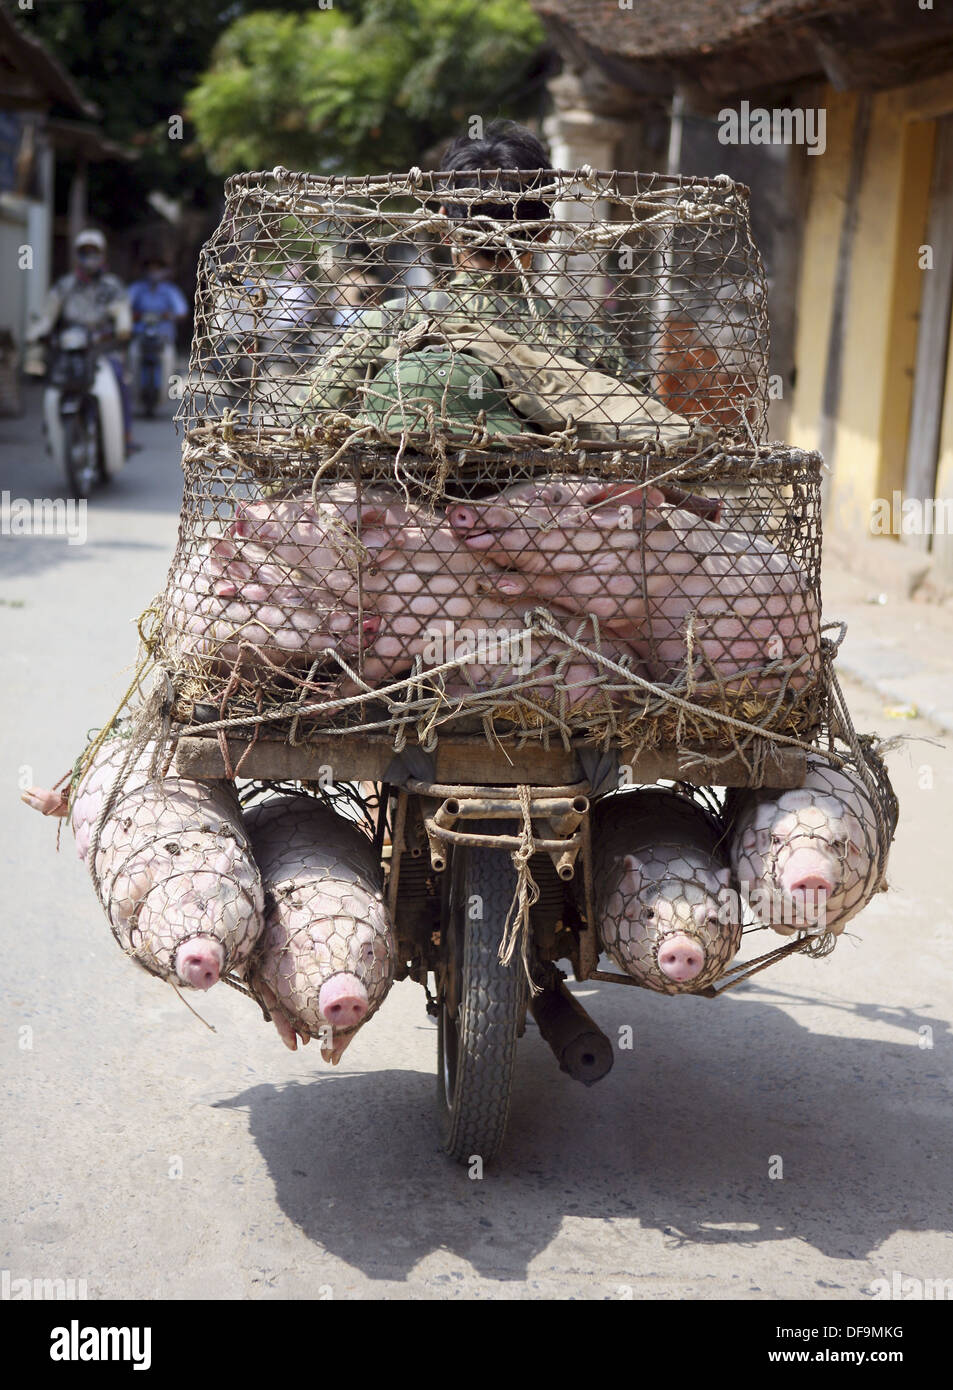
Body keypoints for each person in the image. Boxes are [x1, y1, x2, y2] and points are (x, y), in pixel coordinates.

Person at [302, 121, 635, 422]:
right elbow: (641, 433)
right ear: (546, 232)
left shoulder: (385, 327)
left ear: (444, 226)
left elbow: (306, 421)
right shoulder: (591, 348)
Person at [33, 229, 137, 451]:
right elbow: (48, 315)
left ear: (103, 255)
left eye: (94, 252)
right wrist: (36, 333)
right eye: (84, 252)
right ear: (77, 255)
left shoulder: (111, 286)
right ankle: (52, 432)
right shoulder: (65, 285)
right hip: (70, 347)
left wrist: (123, 329)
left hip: (103, 347)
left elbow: (122, 312)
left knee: (119, 379)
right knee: (52, 379)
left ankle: (125, 436)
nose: (90, 257)